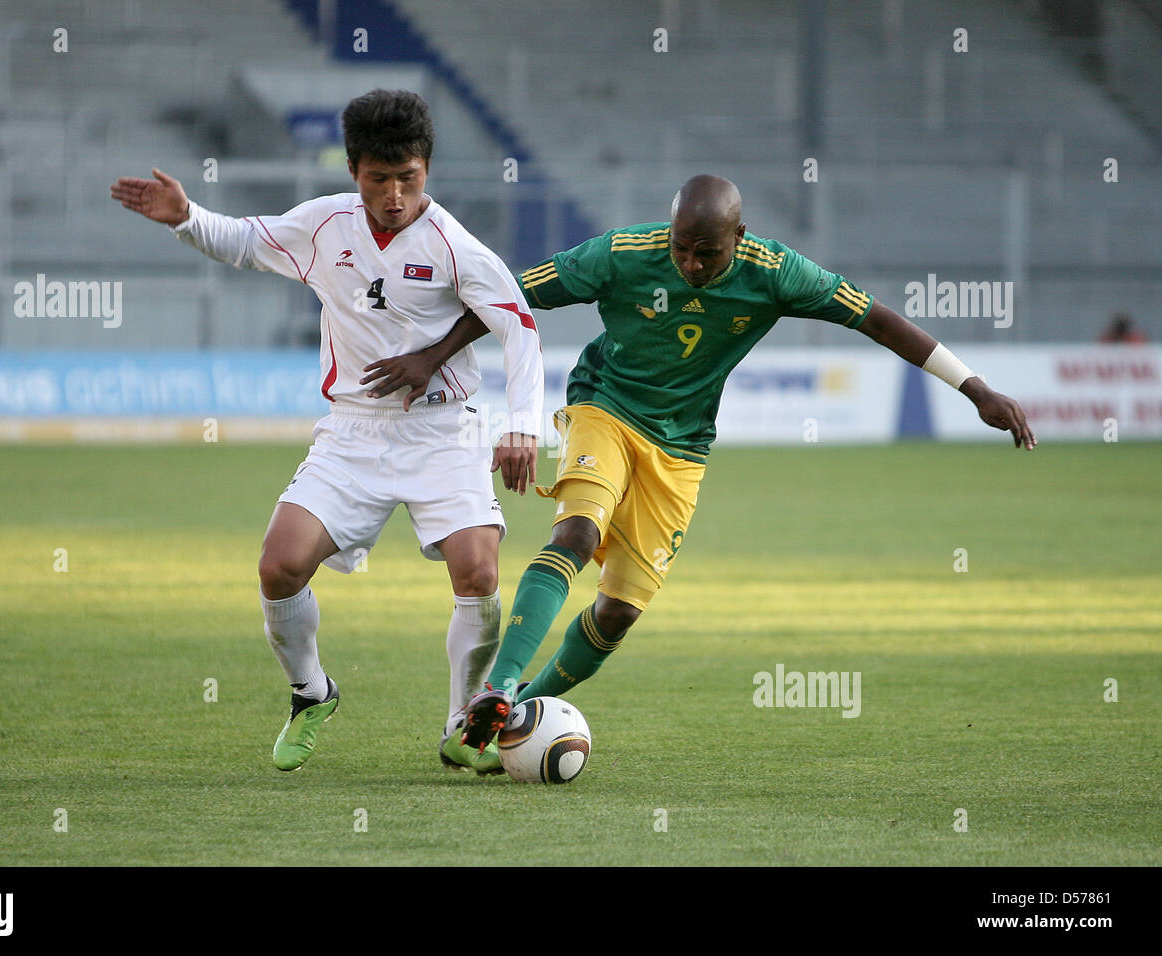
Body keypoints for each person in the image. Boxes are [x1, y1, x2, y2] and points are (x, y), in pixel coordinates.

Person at [375, 174, 1037, 749]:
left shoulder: (776, 272)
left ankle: (514, 716)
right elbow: (511, 297)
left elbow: (876, 319)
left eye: (708, 253)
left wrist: (974, 387)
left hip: (682, 445)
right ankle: (498, 688)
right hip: (603, 406)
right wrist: (433, 353)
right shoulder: (621, 254)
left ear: (740, 236)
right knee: (577, 530)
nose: (690, 264)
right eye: (681, 249)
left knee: (618, 614)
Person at [109, 89, 543, 773]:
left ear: (426, 168)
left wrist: (522, 427)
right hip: (354, 432)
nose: (395, 194)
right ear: (352, 170)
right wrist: (187, 217)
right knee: (278, 565)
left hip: (443, 433)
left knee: (479, 568)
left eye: (409, 177)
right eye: (379, 178)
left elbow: (519, 327)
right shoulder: (323, 226)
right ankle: (312, 692)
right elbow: (248, 241)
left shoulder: (456, 246)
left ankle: (464, 721)